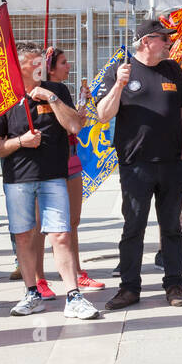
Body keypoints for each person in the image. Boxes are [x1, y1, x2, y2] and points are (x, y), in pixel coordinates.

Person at [0, 43, 99, 320]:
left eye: (41, 62)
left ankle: (73, 296)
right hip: (18, 179)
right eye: (31, 62)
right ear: (18, 66)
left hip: (53, 177)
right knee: (24, 236)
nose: (38, 67)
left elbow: (74, 126)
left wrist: (51, 97)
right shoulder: (4, 97)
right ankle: (32, 292)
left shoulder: (56, 90)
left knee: (61, 234)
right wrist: (21, 142)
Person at [101, 19, 182, 310]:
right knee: (134, 228)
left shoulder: (173, 70)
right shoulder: (121, 71)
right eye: (164, 38)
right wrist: (119, 84)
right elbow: (104, 114)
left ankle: (174, 284)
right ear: (146, 41)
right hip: (136, 165)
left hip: (171, 164)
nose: (169, 42)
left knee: (171, 228)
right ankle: (129, 288)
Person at [34, 47, 103, 293]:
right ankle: (38, 278)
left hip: (71, 159)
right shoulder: (34, 92)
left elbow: (75, 124)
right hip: (46, 164)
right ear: (49, 68)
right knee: (40, 225)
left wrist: (82, 103)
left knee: (73, 222)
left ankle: (77, 272)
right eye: (63, 62)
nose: (68, 66)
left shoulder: (62, 90)